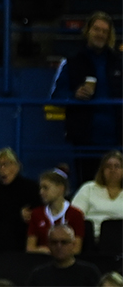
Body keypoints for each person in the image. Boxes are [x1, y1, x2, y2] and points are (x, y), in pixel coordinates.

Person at [55, 11, 123, 185]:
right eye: (97, 29)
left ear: (109, 35)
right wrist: (74, 95)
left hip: (116, 140)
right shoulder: (72, 62)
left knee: (116, 191)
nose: (100, 34)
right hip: (85, 139)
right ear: (88, 31)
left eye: (104, 31)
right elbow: (57, 96)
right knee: (86, 187)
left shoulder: (119, 62)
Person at [0, 147, 42, 253]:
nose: (2, 169)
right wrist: (18, 215)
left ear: (16, 166)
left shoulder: (31, 187)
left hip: (27, 233)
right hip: (3, 238)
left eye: (6, 164)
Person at [28, 168, 86, 255]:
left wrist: (51, 251)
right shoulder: (36, 214)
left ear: (60, 189)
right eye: (40, 188)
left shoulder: (75, 214)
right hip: (41, 262)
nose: (41, 192)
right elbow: (30, 248)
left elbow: (76, 249)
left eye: (45, 188)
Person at [26, 223, 101, 286]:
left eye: (64, 242)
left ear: (73, 244)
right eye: (54, 242)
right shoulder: (38, 275)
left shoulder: (89, 273)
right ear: (49, 245)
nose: (59, 247)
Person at [71, 151, 123, 234]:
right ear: (102, 170)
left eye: (117, 166)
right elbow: (75, 216)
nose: (112, 170)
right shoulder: (88, 188)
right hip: (93, 238)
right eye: (108, 166)